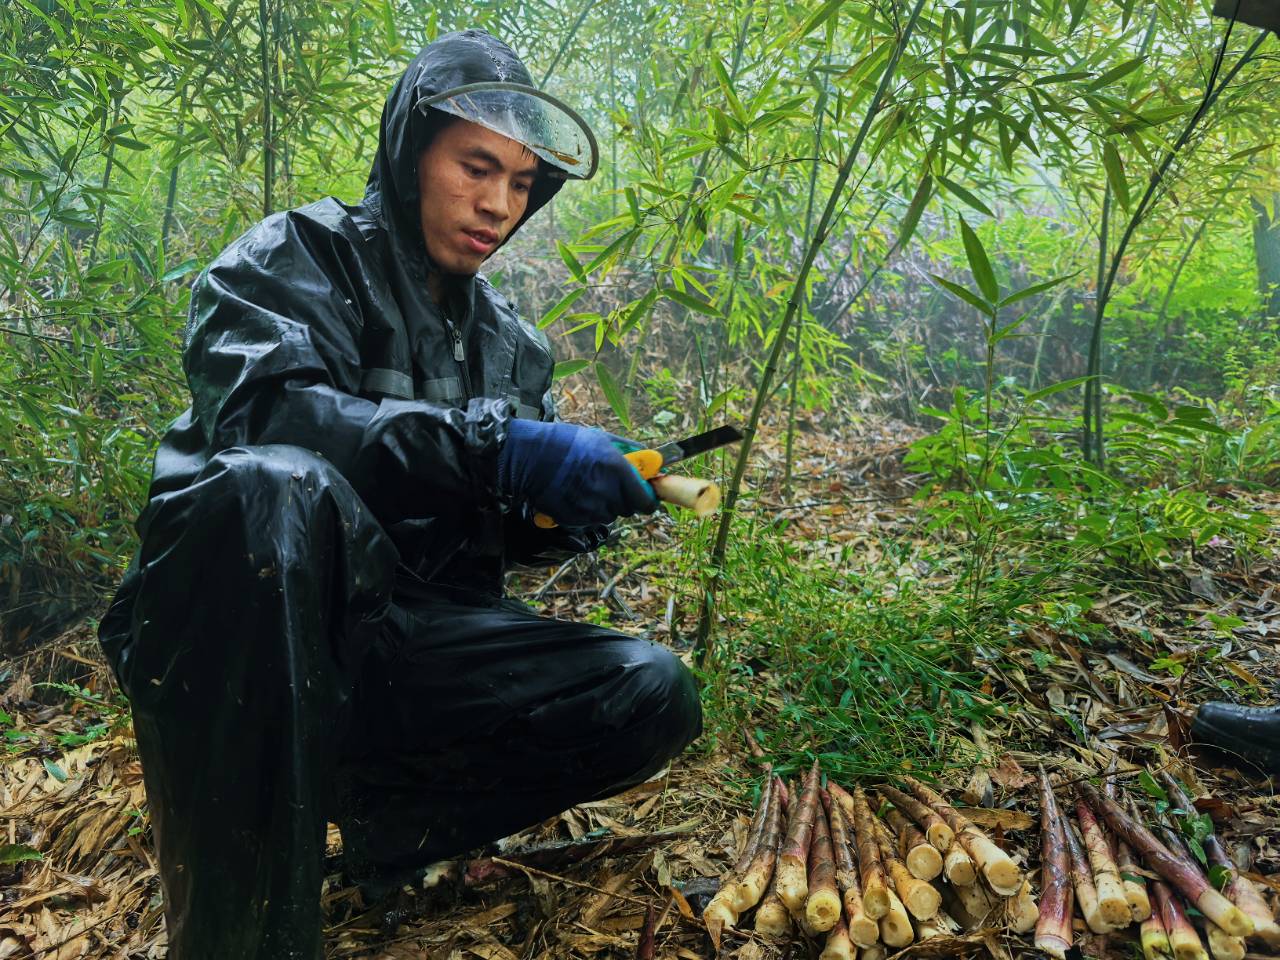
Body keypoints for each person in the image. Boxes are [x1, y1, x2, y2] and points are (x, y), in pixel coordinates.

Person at [96, 29, 702, 960]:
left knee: (650, 692)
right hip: (239, 648)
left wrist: (562, 509)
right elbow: (272, 426)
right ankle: (239, 938)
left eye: (523, 183)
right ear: (411, 151)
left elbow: (493, 529)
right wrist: (499, 450)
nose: (498, 203)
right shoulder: (291, 258)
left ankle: (391, 833)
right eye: (476, 167)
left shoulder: (512, 344)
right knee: (274, 491)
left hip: (404, 654)